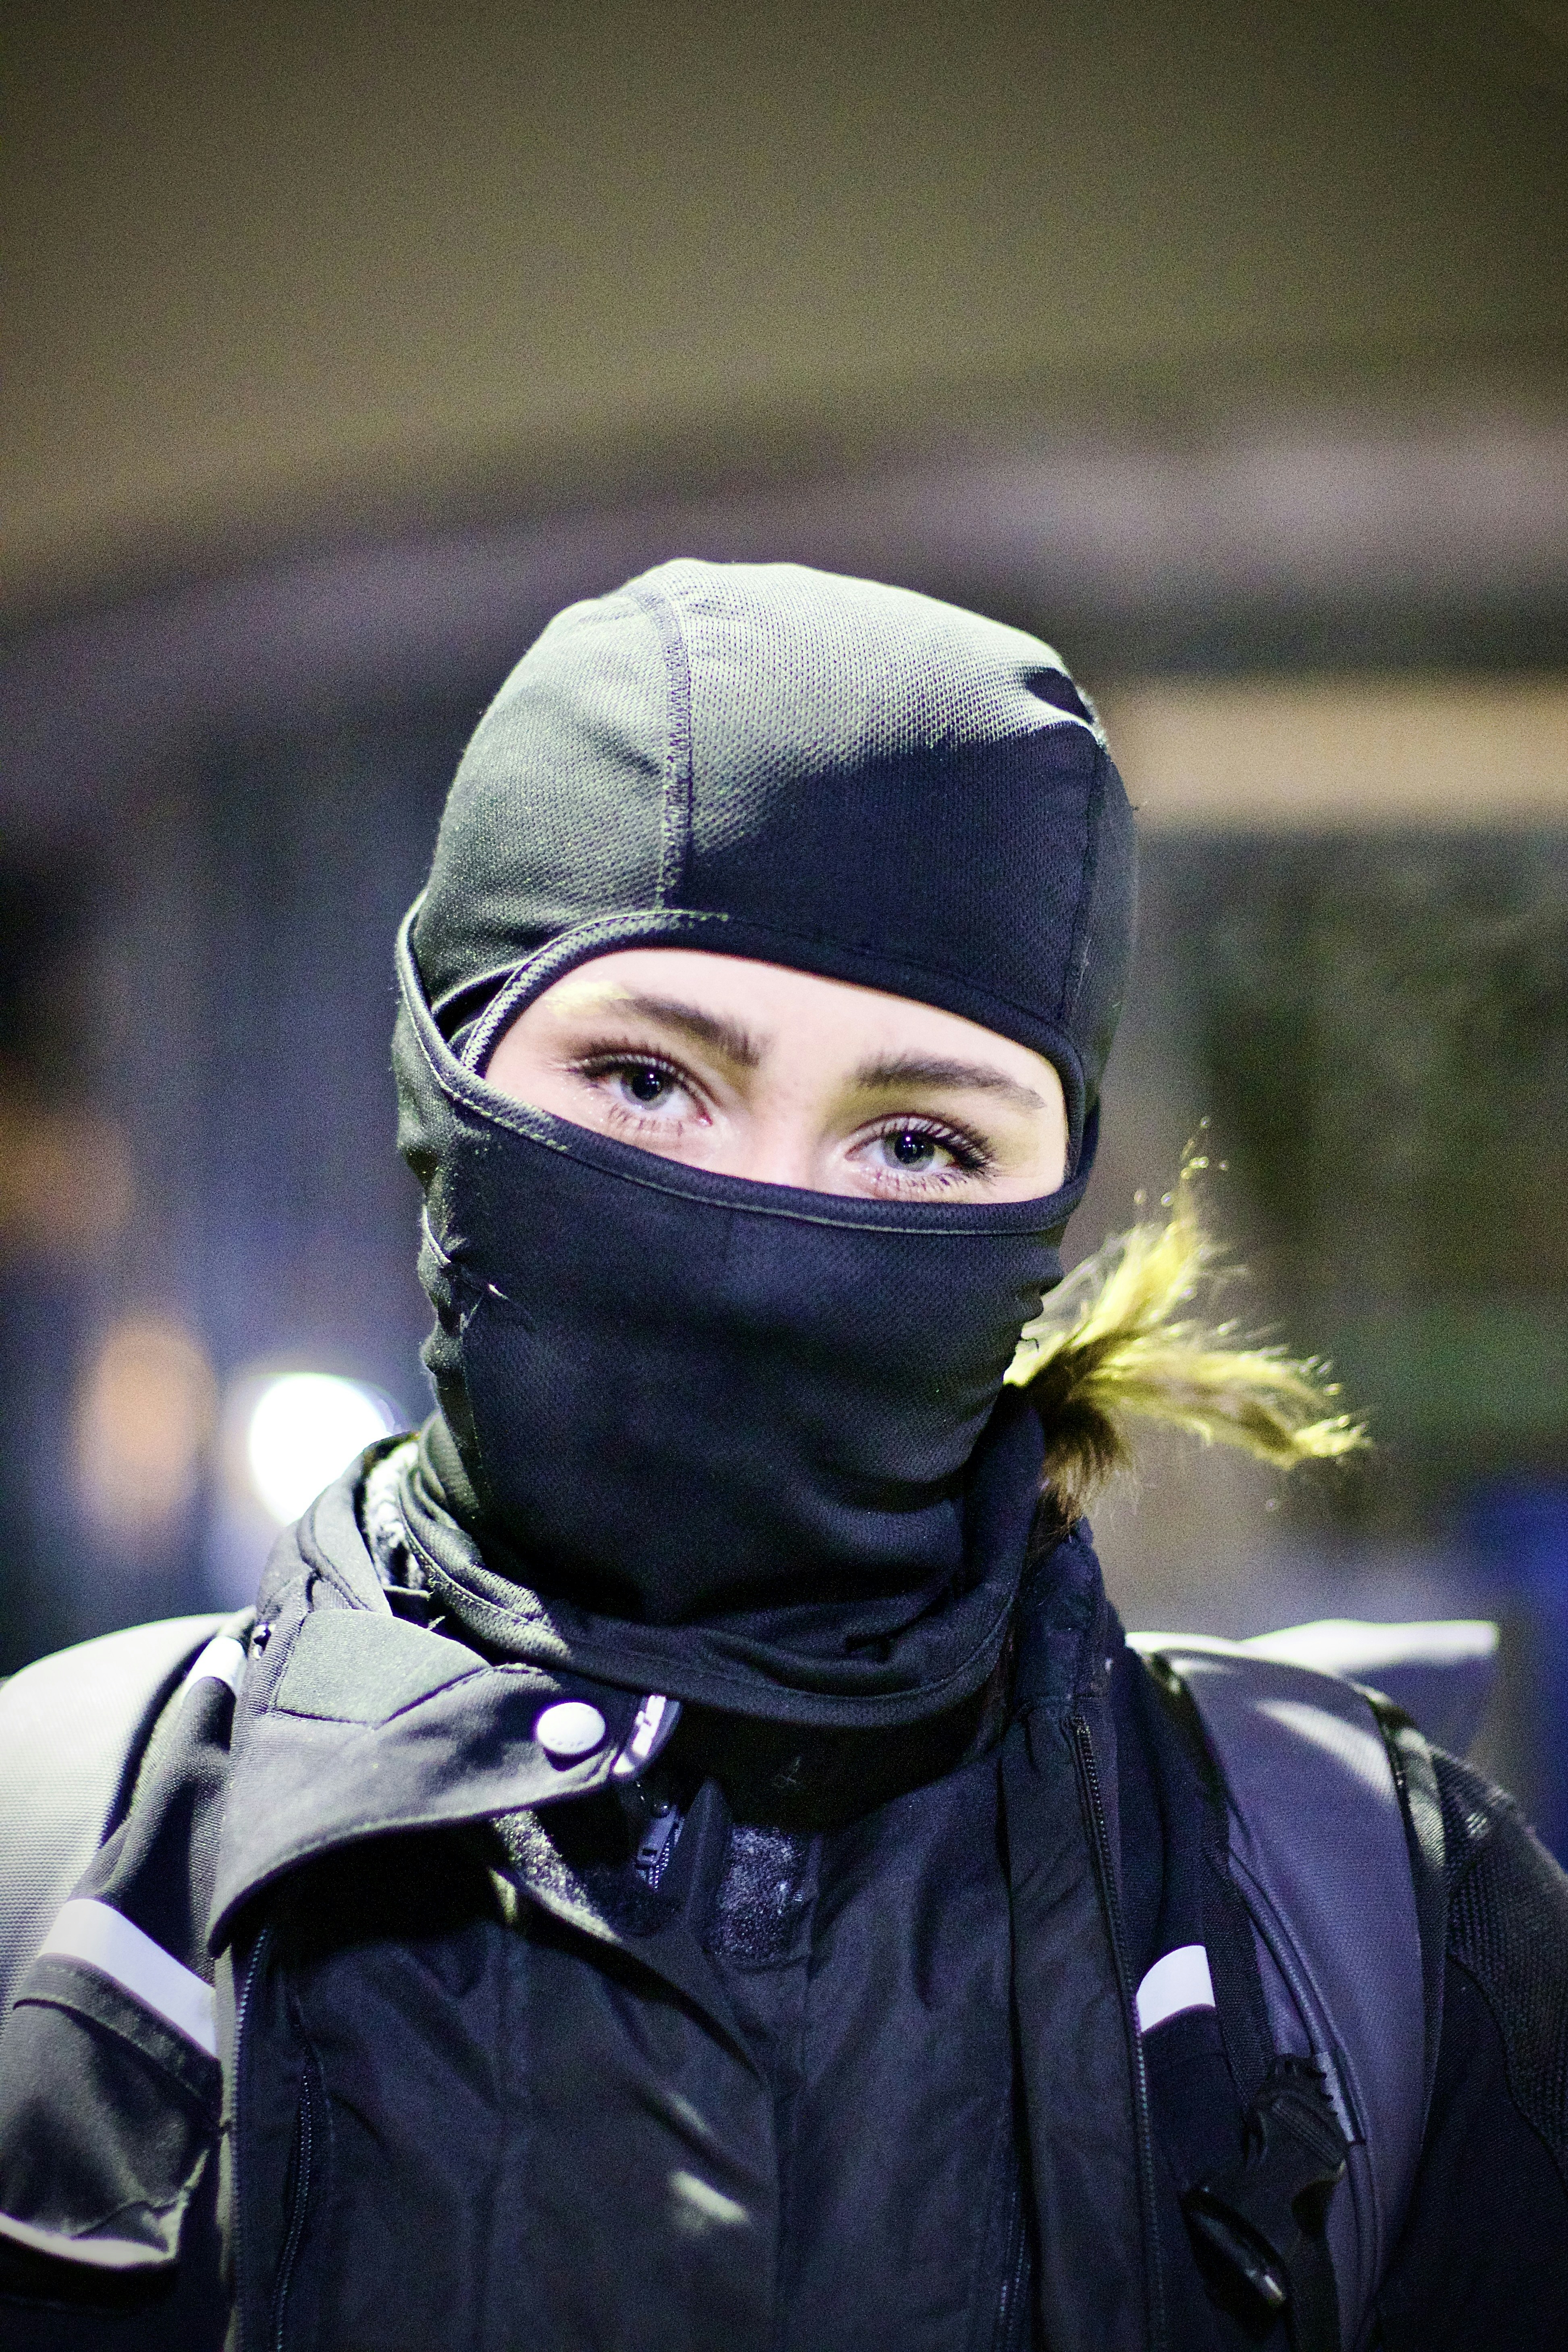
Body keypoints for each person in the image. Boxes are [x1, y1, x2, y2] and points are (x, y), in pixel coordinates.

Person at [0, 559, 1564, 2352]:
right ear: (446, 1068)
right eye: (648, 1082)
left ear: (1048, 1200)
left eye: (913, 1142)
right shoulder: (57, 1864)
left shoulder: (1381, 1933)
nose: (765, 1219)